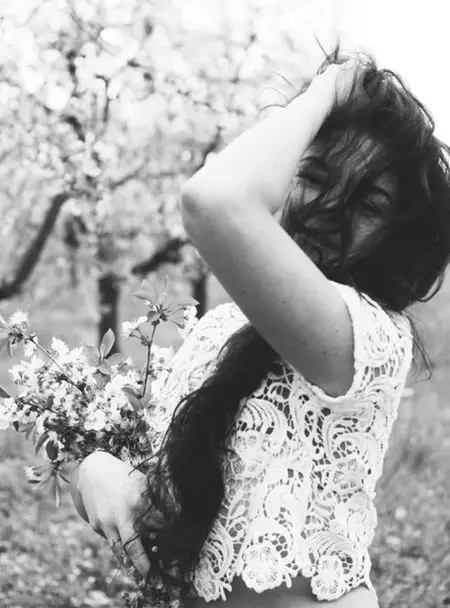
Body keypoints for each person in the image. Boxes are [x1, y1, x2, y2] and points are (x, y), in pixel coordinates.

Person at [71, 49, 450, 608]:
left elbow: (214, 200)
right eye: (314, 176)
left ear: (395, 234)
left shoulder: (369, 336)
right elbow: (150, 489)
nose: (328, 210)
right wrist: (94, 470)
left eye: (368, 203)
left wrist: (332, 86)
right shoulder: (219, 329)